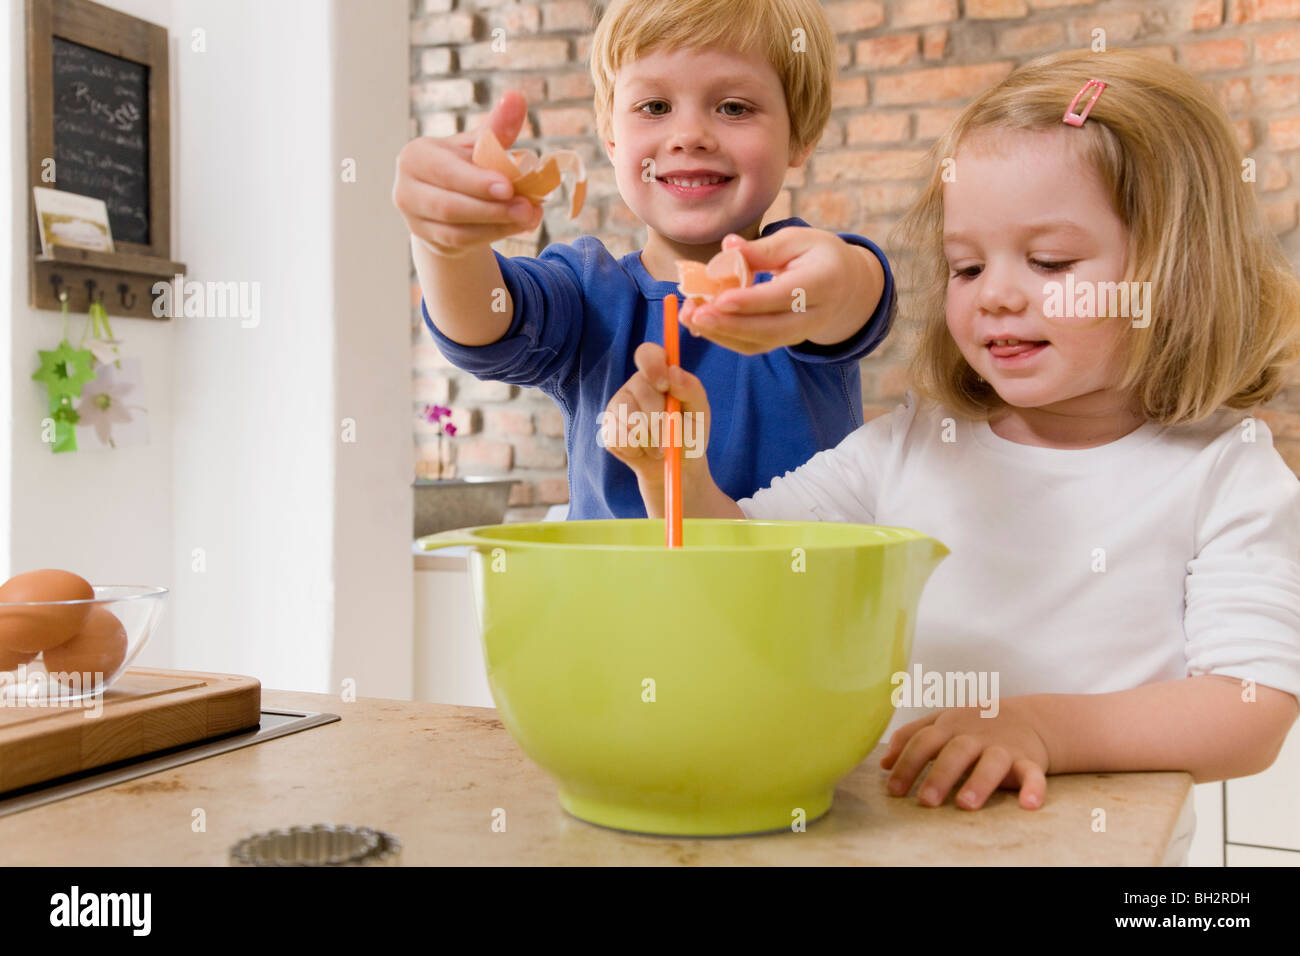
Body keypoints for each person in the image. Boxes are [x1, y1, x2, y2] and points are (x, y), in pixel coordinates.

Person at [603, 49, 1300, 853]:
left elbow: (1250, 710)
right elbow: (751, 565)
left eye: (1049, 262)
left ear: (1175, 273)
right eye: (968, 266)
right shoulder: (912, 445)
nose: (996, 293)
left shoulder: (1226, 472)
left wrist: (1038, 730)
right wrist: (674, 472)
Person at [392, 0, 896, 519]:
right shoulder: (586, 292)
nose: (689, 136)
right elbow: (482, 321)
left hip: (794, 599)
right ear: (612, 138)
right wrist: (443, 244)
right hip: (618, 602)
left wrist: (847, 283)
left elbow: (853, 289)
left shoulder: (797, 280)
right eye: (655, 107)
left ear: (800, 134)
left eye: (734, 107)